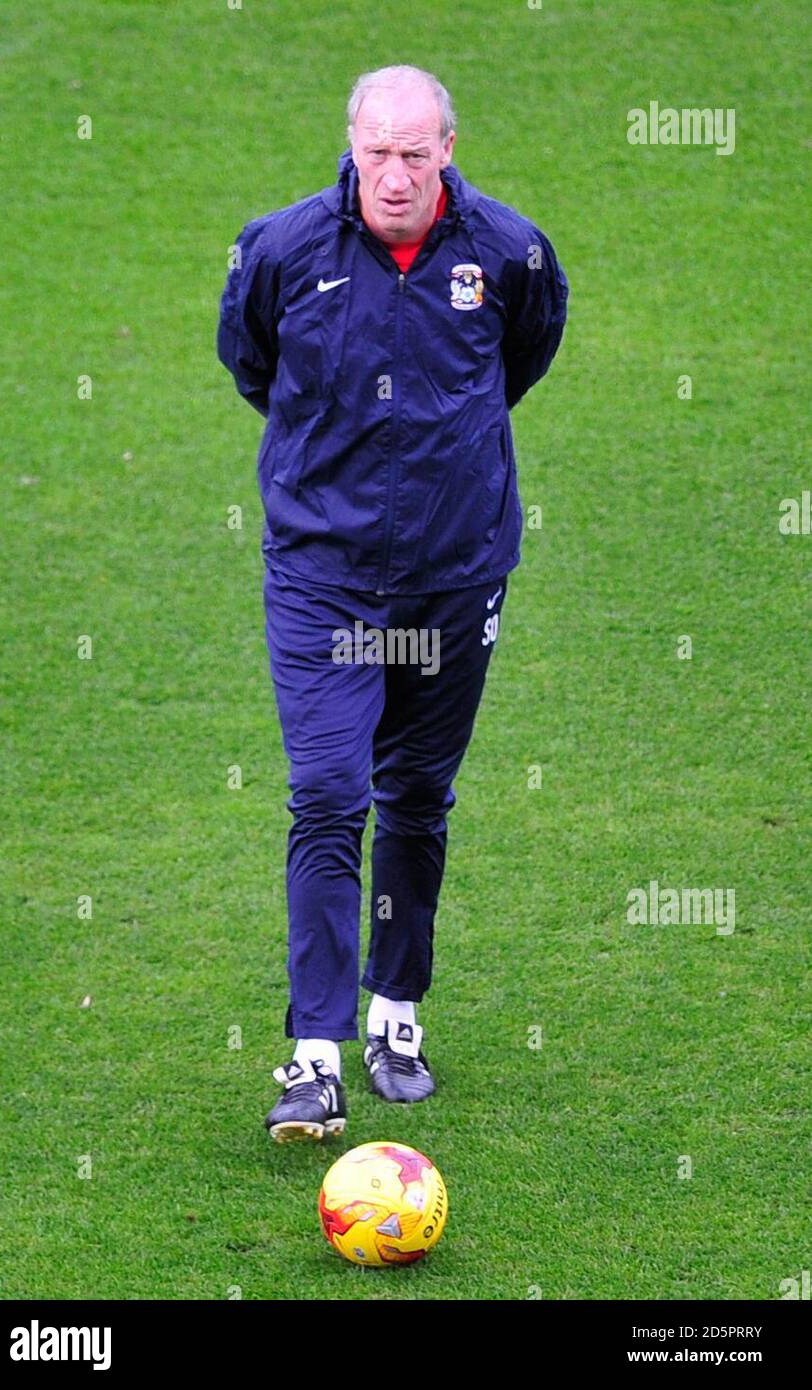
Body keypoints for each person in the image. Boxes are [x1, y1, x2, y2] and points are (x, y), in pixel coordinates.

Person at [217, 64, 569, 1142]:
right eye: (379, 150)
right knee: (327, 794)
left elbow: (521, 359)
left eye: (418, 153)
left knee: (417, 795)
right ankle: (314, 1055)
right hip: (324, 581)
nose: (397, 173)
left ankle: (396, 1013)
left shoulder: (510, 253)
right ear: (351, 144)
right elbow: (250, 364)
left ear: (450, 150)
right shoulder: (281, 250)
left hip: (455, 579)